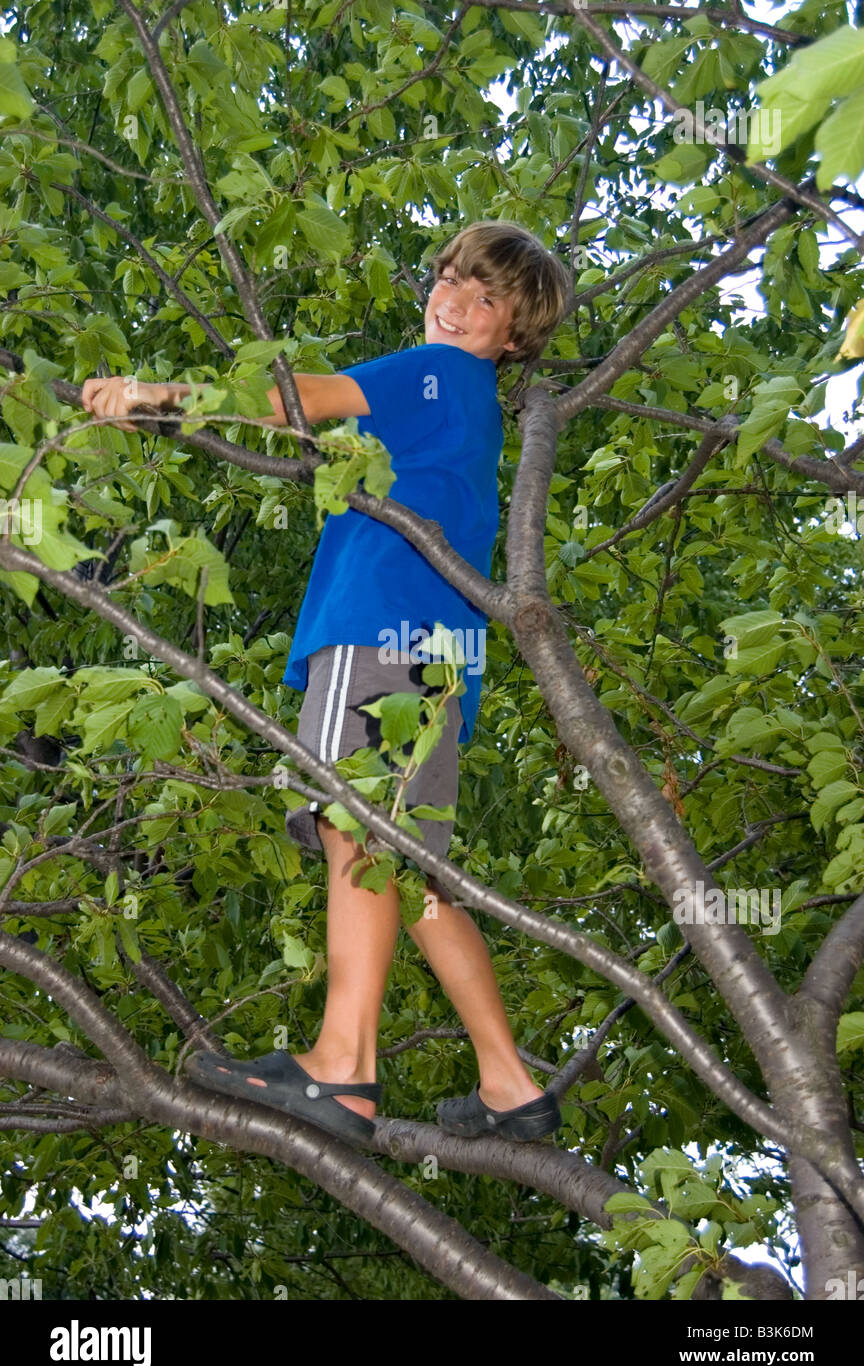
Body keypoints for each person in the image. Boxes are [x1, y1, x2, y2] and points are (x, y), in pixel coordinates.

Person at [81, 220, 570, 1150]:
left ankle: (344, 1066)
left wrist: (154, 396)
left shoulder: (432, 374)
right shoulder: (468, 406)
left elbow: (296, 399)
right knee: (410, 870)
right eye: (452, 280)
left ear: (513, 337)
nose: (456, 303)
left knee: (355, 831)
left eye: (486, 299)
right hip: (437, 662)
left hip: (378, 635)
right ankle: (511, 1083)